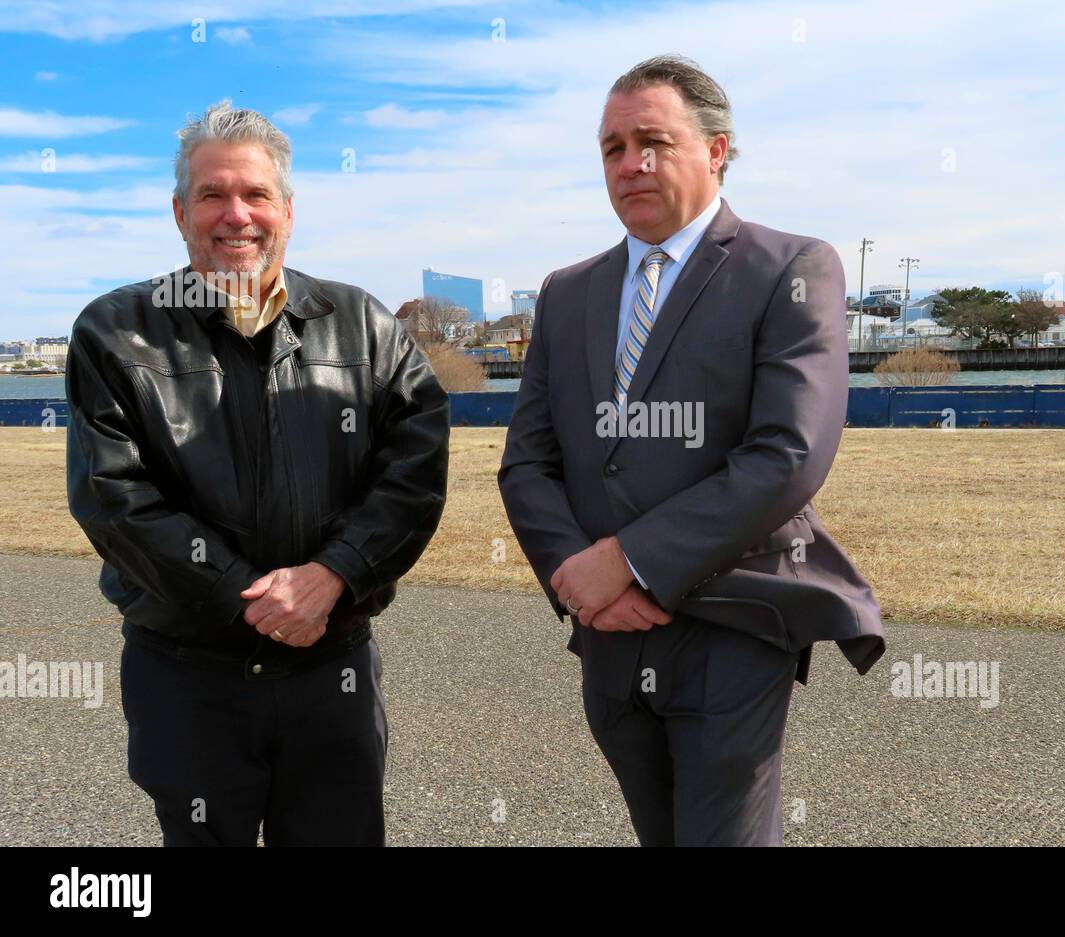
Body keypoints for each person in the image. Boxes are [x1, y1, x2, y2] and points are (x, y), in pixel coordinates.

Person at [498, 56, 885, 846]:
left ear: (717, 150)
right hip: (606, 635)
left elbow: (789, 452)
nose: (630, 163)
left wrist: (632, 560)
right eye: (612, 147)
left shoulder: (791, 269)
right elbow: (527, 462)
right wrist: (582, 577)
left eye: (654, 141)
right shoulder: (567, 292)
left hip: (731, 626)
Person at [65, 101, 450, 846]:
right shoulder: (115, 331)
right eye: (212, 194)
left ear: (288, 210)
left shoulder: (363, 324)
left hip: (331, 673)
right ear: (180, 212)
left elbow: (414, 468)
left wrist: (334, 573)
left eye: (255, 194)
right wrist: (249, 597)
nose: (235, 214)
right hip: (187, 676)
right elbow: (113, 496)